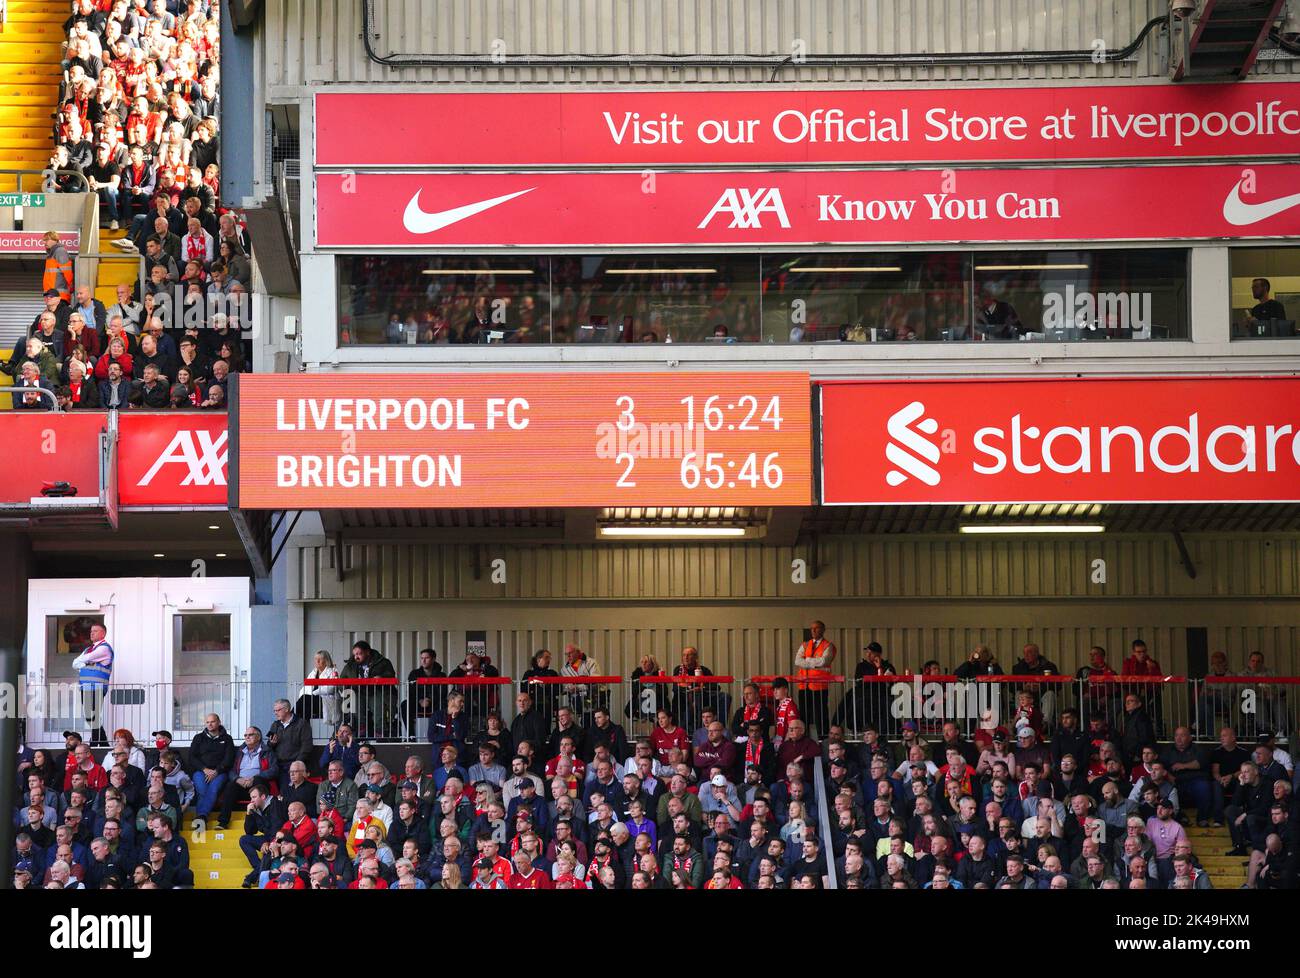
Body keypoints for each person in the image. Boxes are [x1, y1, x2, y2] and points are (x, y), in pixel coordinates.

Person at [338, 640, 398, 739]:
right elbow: (341, 681)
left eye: (359, 653)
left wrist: (381, 678)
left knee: (379, 713)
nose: (356, 656)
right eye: (354, 654)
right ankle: (361, 735)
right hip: (358, 692)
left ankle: (380, 736)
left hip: (377, 691)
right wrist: (349, 690)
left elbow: (391, 675)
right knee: (357, 711)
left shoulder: (382, 662)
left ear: (367, 652)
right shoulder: (350, 665)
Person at [187, 714, 234, 829]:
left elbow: (229, 759)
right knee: (202, 790)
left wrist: (217, 771)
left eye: (212, 722)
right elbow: (192, 757)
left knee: (213, 789)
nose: (210, 724)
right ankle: (202, 817)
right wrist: (205, 769)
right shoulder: (198, 738)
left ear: (219, 722)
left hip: (220, 772)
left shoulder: (227, 739)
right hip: (201, 771)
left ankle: (201, 817)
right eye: (207, 722)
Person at [71, 623, 113, 746]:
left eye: (95, 630)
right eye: (91, 631)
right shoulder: (88, 649)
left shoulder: (104, 648)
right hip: (86, 686)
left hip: (98, 686)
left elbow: (83, 660)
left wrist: (85, 663)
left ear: (103, 633)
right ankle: (102, 742)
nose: (92, 633)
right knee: (90, 716)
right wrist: (86, 664)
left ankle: (96, 743)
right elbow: (75, 663)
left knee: (92, 716)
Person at [793, 619, 837, 739]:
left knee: (820, 715)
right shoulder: (805, 645)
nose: (813, 630)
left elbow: (824, 661)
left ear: (823, 630)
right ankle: (803, 738)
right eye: (812, 628)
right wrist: (814, 662)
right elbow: (797, 661)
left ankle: (823, 739)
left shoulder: (828, 646)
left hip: (819, 686)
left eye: (816, 628)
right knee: (804, 715)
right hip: (804, 685)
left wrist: (807, 660)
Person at [267, 698, 314, 774]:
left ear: (287, 709)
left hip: (294, 765)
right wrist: (272, 743)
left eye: (278, 710)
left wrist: (297, 763)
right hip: (276, 765)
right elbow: (268, 745)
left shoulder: (302, 724)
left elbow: (306, 746)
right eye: (274, 711)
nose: (275, 713)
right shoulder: (275, 725)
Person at [404, 647, 445, 734]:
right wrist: (420, 700)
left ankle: (441, 734)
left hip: (435, 703)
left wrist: (429, 699)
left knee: (444, 705)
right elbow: (410, 691)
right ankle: (411, 736)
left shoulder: (441, 675)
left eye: (427, 658)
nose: (423, 661)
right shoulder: (414, 674)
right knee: (405, 705)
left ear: (433, 659)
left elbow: (442, 693)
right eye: (422, 658)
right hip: (418, 703)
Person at [296, 650, 340, 724]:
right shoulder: (313, 672)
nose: (317, 661)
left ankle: (289, 718)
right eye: (316, 659)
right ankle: (305, 732)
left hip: (326, 700)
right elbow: (305, 688)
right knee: (303, 710)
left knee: (304, 700)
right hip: (313, 701)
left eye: (320, 659)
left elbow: (332, 688)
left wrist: (314, 693)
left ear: (326, 660)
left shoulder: (333, 671)